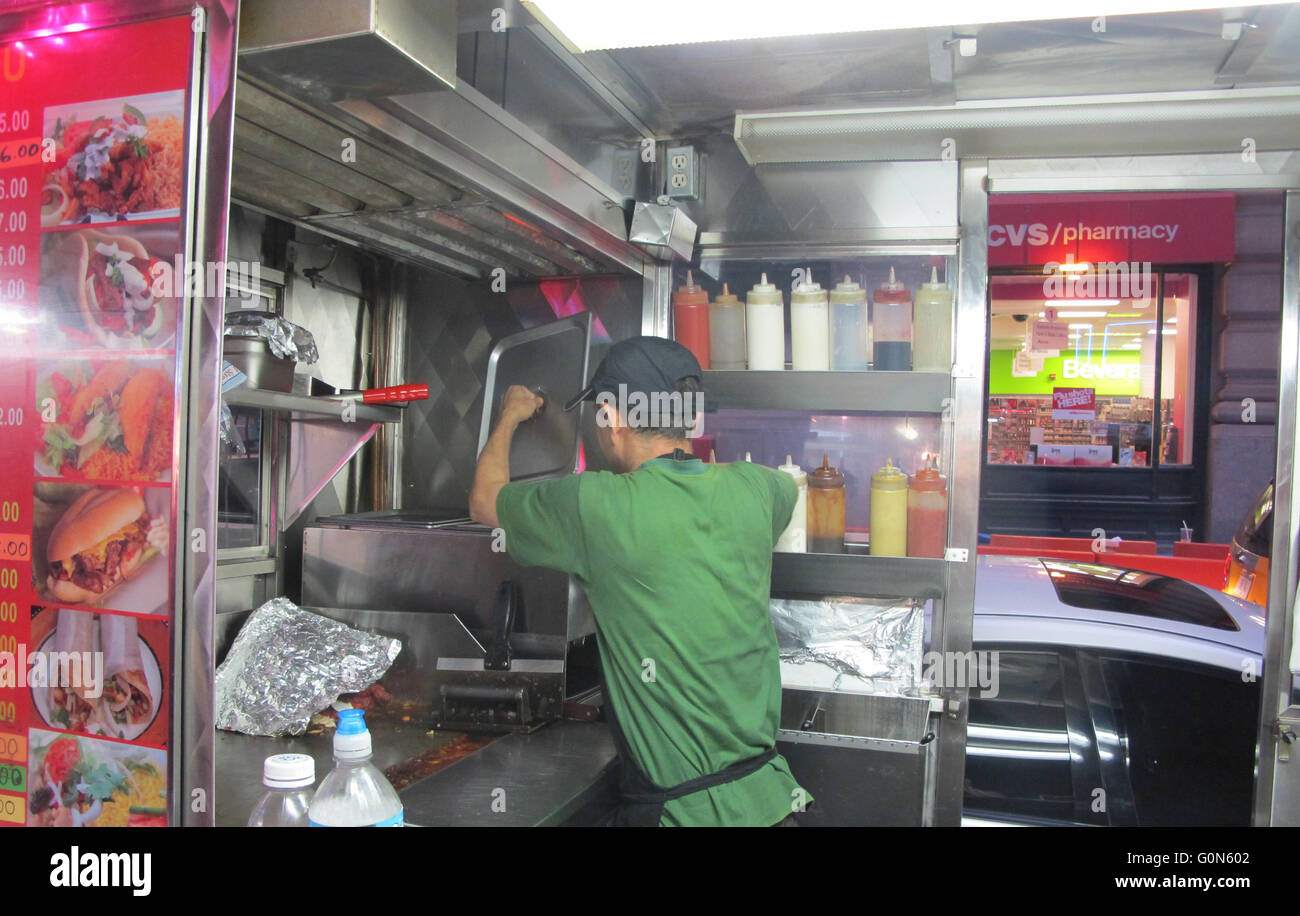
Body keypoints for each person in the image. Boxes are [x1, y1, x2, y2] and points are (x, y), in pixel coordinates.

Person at [470, 335, 808, 826]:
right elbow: (782, 490)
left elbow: (484, 500)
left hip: (684, 817)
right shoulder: (760, 490)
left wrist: (509, 415)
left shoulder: (595, 506)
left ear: (612, 417)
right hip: (772, 803)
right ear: (691, 417)